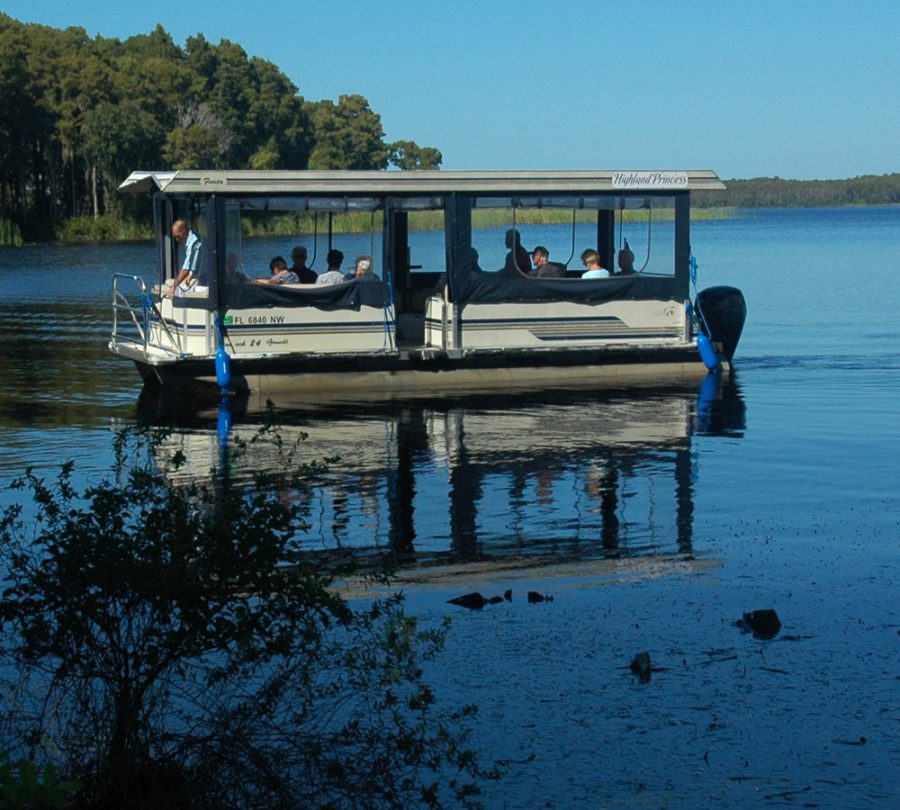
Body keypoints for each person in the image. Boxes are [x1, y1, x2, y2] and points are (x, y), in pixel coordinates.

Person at [168, 219, 201, 296]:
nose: (177, 240)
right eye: (175, 237)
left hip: (201, 278)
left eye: (178, 236)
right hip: (196, 274)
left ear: (184, 231)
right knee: (168, 282)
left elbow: (186, 269)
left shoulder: (193, 242)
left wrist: (174, 286)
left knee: (177, 287)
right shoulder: (191, 239)